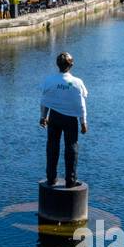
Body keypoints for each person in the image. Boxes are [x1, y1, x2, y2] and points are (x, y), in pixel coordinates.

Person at [39, 51, 88, 187]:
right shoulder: (77, 82)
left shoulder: (49, 81)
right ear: (71, 64)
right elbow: (81, 104)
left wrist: (43, 116)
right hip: (70, 119)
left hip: (54, 117)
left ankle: (51, 178)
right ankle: (70, 180)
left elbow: (45, 100)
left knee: (52, 147)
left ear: (57, 65)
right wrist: (83, 122)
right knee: (71, 148)